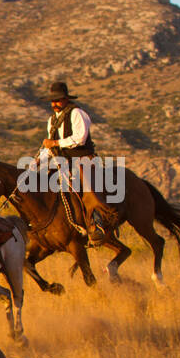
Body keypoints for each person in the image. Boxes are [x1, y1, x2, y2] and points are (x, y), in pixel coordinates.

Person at [40, 80, 118, 244]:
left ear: (66, 99)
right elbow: (49, 146)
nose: (54, 103)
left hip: (82, 159)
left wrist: (55, 144)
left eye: (58, 99)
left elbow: (80, 138)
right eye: (52, 100)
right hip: (62, 161)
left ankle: (96, 224)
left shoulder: (77, 113)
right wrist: (38, 162)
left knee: (87, 188)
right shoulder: (51, 121)